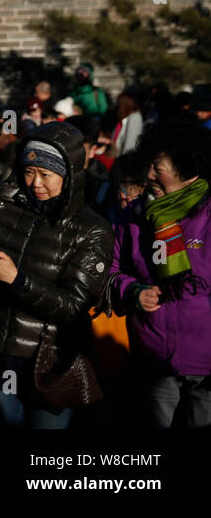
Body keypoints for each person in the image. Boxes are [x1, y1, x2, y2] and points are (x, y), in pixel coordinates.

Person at [0, 122, 113, 429]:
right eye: (29, 171)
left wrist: (16, 279)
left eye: (46, 174)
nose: (35, 183)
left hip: (49, 360)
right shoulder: (4, 203)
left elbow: (74, 306)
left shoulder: (92, 231)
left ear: (69, 175)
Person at [109, 119, 211, 427]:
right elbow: (111, 270)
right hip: (154, 356)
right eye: (149, 166)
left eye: (159, 167)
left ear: (188, 169)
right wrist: (131, 290)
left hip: (206, 363)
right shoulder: (132, 217)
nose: (150, 175)